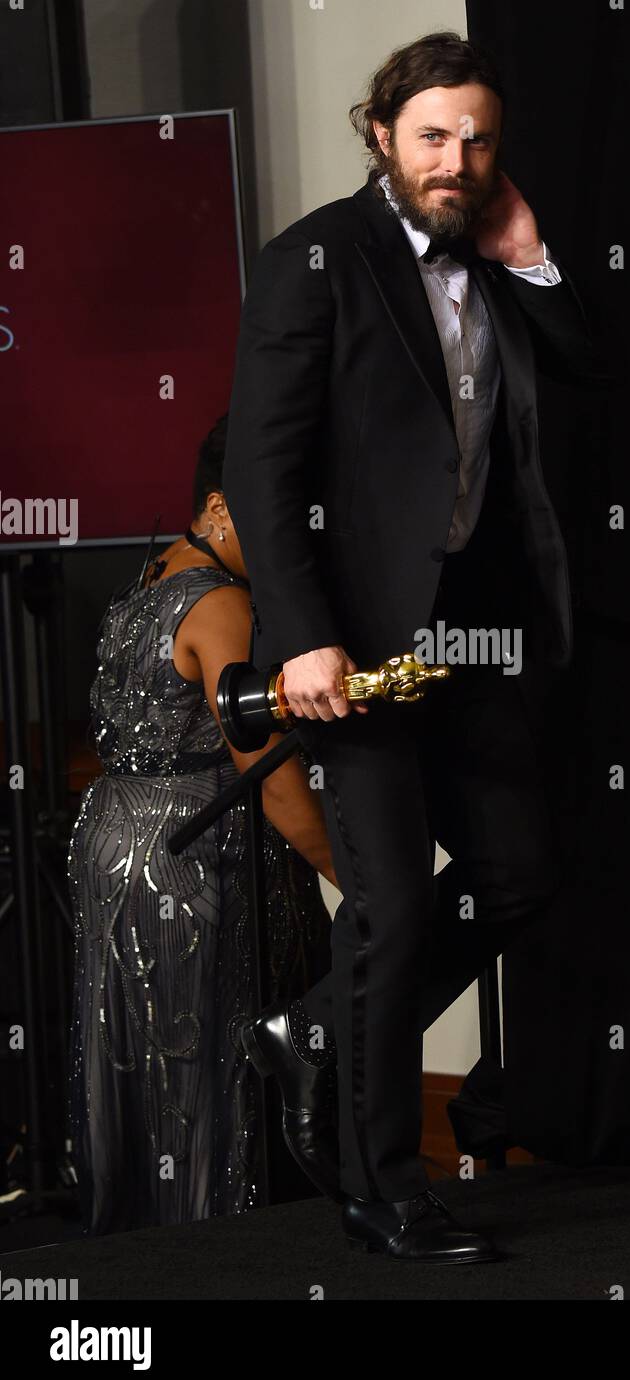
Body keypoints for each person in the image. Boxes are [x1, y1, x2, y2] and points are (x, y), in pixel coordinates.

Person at [224, 31, 606, 1263]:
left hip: (476, 640)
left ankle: (313, 1030)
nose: (458, 158)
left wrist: (534, 261)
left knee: (519, 874)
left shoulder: (496, 257)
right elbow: (263, 471)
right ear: (379, 132)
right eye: (434, 134)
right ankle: (382, 1184)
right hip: (355, 652)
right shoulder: (314, 261)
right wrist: (305, 642)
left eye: (478, 137)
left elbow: (590, 379)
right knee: (388, 907)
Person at [66, 414, 339, 1235]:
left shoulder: (142, 582)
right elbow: (274, 779)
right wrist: (358, 882)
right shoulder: (219, 602)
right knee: (213, 1068)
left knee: (150, 1071)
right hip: (193, 867)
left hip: (117, 846)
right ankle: (234, 1247)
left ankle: (154, 1250)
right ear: (220, 507)